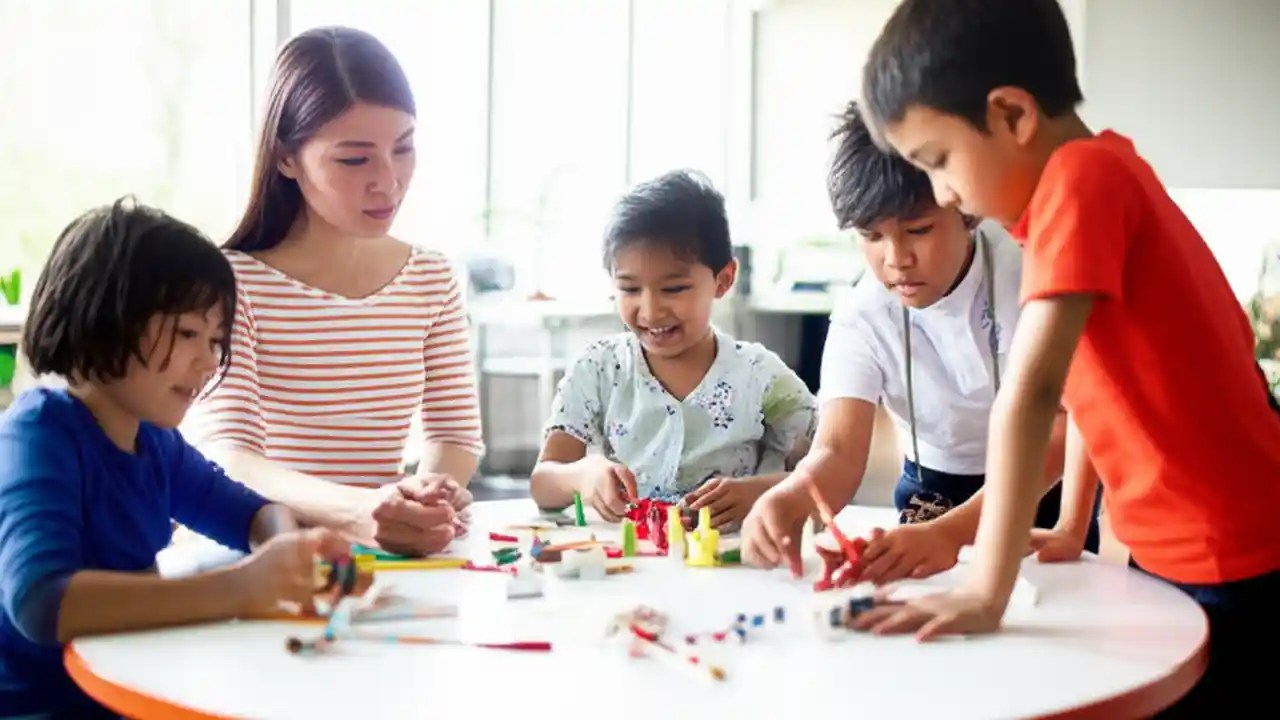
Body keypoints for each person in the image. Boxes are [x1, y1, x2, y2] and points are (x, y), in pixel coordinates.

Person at [851, 0, 1280, 713]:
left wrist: (985, 588)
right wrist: (1072, 518)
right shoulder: (1094, 174)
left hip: (1227, 548)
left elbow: (1032, 391)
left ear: (1013, 115)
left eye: (939, 162)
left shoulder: (1081, 183)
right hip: (1183, 539)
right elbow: (1091, 381)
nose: (944, 193)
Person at [0, 199, 346, 718]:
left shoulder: (154, 442)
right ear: (105, 315)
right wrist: (242, 589)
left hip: (128, 690)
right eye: (188, 334)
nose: (208, 361)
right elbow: (41, 603)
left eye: (215, 341)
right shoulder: (39, 435)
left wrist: (288, 553)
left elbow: (250, 512)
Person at [741, 101, 1099, 581]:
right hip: (932, 487)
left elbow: (1061, 425)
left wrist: (954, 534)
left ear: (964, 209)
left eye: (919, 230)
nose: (897, 258)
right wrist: (792, 493)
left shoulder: (1026, 272)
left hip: (1039, 485)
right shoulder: (861, 313)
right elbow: (838, 452)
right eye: (871, 236)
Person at [184, 27, 482, 557]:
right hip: (260, 554)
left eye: (404, 148)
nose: (388, 181)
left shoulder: (431, 277)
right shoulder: (231, 283)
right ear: (286, 158)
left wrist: (430, 493)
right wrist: (363, 511)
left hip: (388, 556)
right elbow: (231, 457)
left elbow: (454, 436)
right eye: (354, 159)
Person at [530, 170, 817, 530]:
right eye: (630, 289)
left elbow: (823, 474)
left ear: (723, 279)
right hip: (629, 564)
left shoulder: (760, 375)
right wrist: (582, 476)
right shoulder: (599, 368)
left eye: (674, 289)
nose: (650, 311)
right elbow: (543, 483)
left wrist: (759, 493)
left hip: (732, 566)